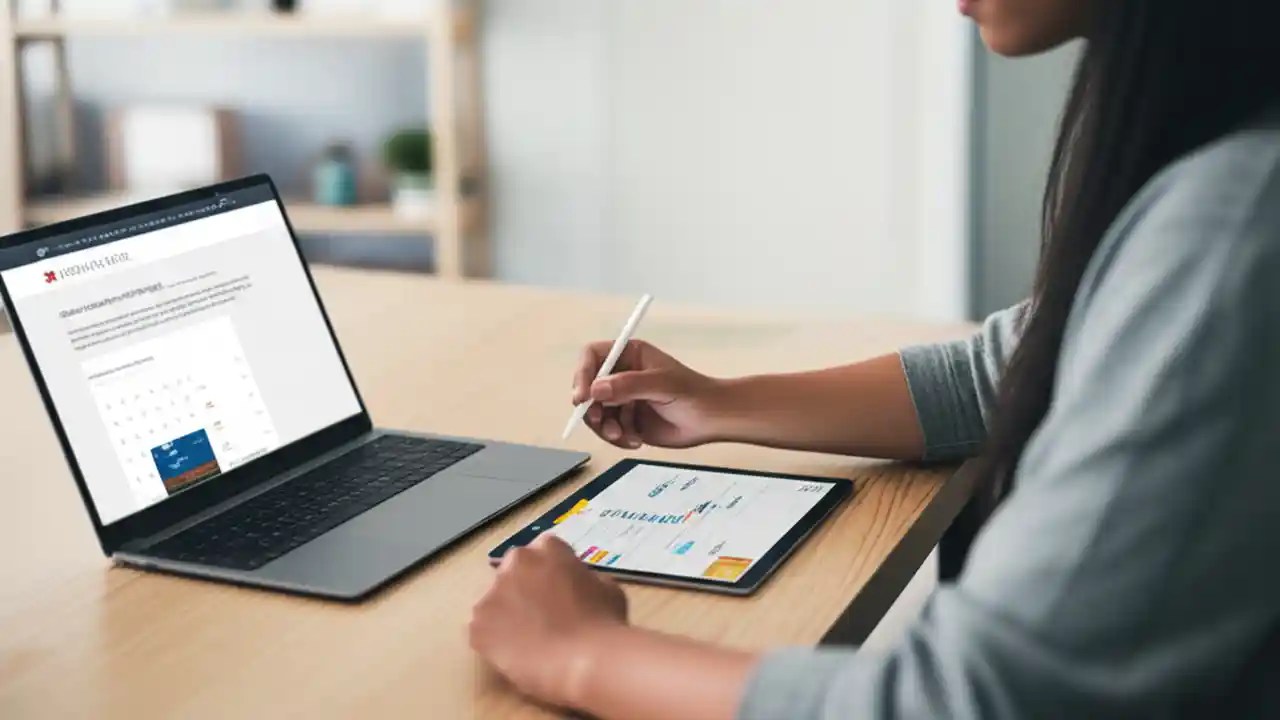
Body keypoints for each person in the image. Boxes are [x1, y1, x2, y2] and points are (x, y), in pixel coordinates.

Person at [469, 0, 1280, 716]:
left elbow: (971, 701)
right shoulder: (1221, 164)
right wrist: (718, 403)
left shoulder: (1234, 225)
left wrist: (579, 655)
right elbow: (1004, 371)